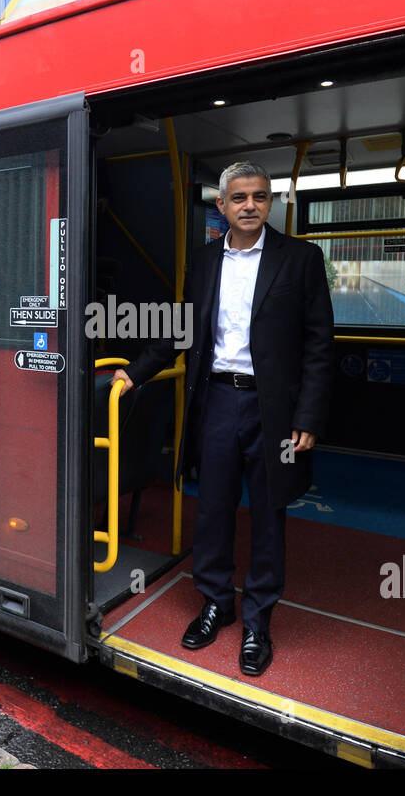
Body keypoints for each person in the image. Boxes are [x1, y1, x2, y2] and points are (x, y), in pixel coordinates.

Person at [115, 162, 333, 676]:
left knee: (268, 515)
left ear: (271, 201)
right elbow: (182, 328)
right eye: (239, 198)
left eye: (259, 196)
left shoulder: (301, 258)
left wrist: (309, 415)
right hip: (215, 401)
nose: (250, 205)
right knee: (211, 511)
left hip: (273, 412)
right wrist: (137, 372)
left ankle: (259, 620)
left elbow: (320, 344)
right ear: (222, 206)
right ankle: (217, 602)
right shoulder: (206, 258)